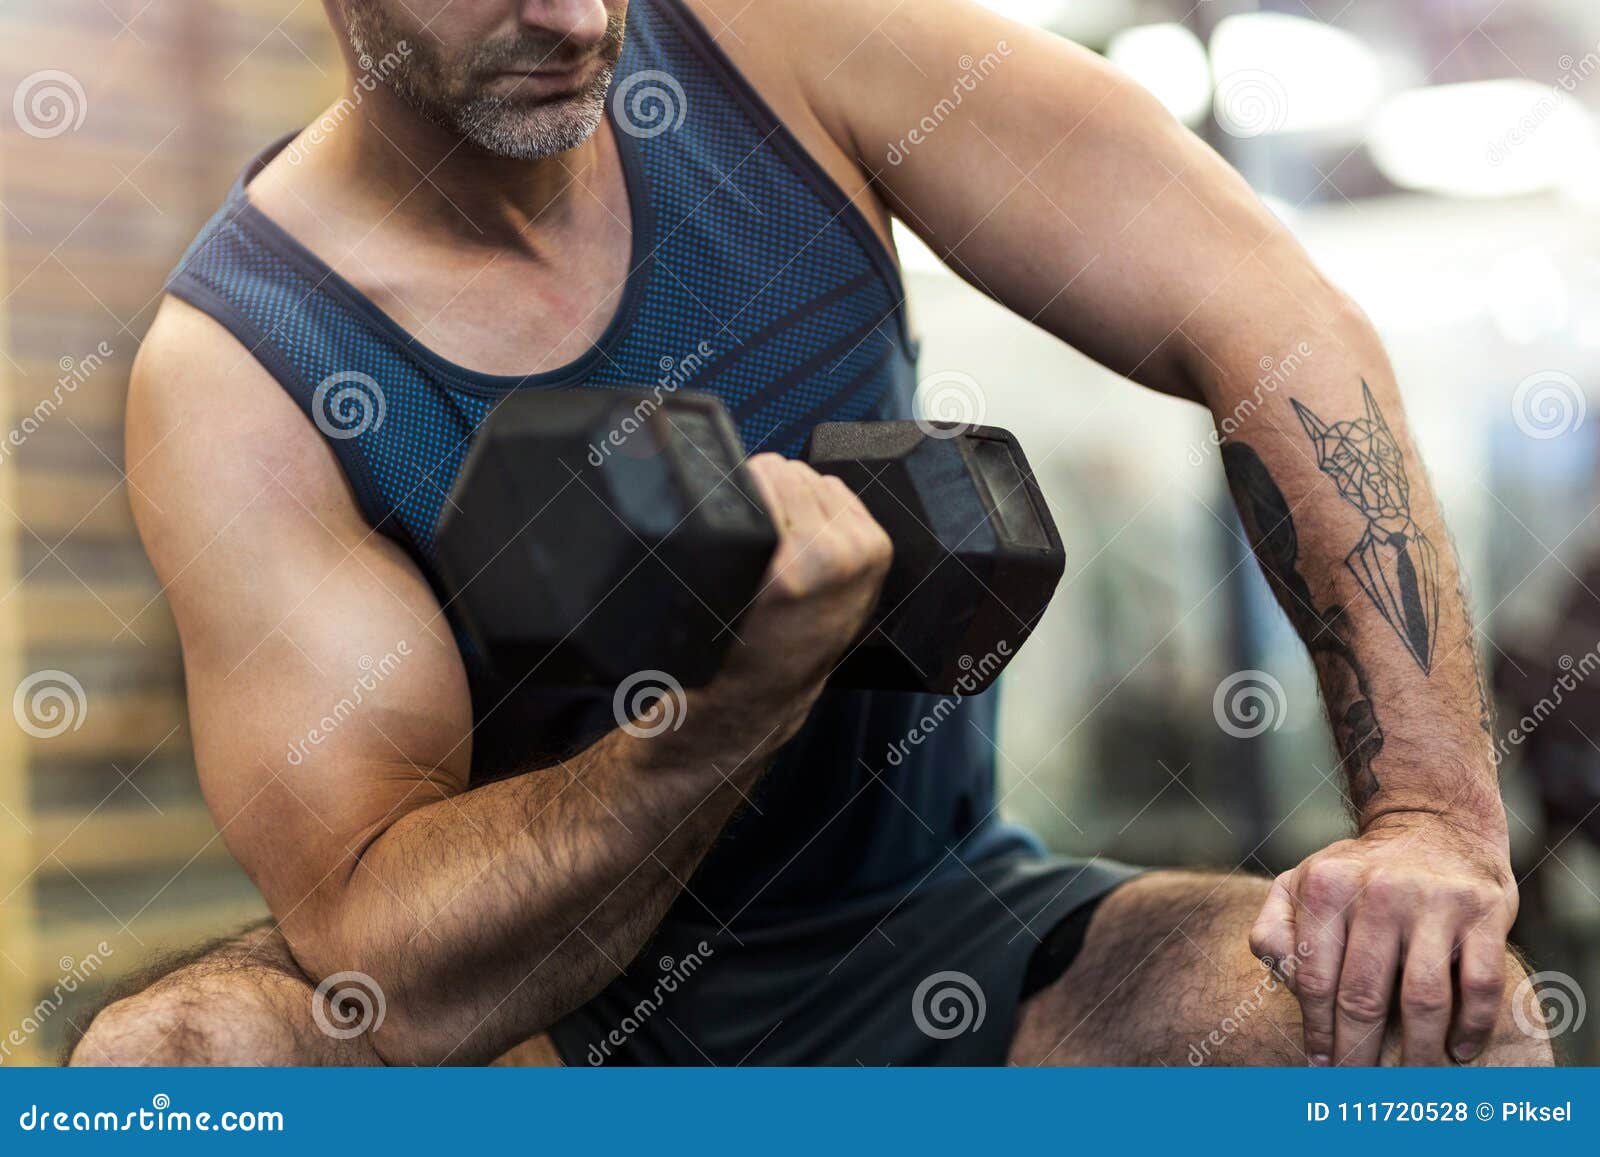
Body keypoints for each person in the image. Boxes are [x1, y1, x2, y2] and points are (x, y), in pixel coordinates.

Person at [69, 0, 1551, 1067]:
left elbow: (1267, 315)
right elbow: (392, 972)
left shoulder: (781, 39)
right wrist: (730, 710)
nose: (574, 16)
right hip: (548, 1036)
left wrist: (1432, 815)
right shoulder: (242, 375)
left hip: (952, 935)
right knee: (179, 1068)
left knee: (1448, 1027)